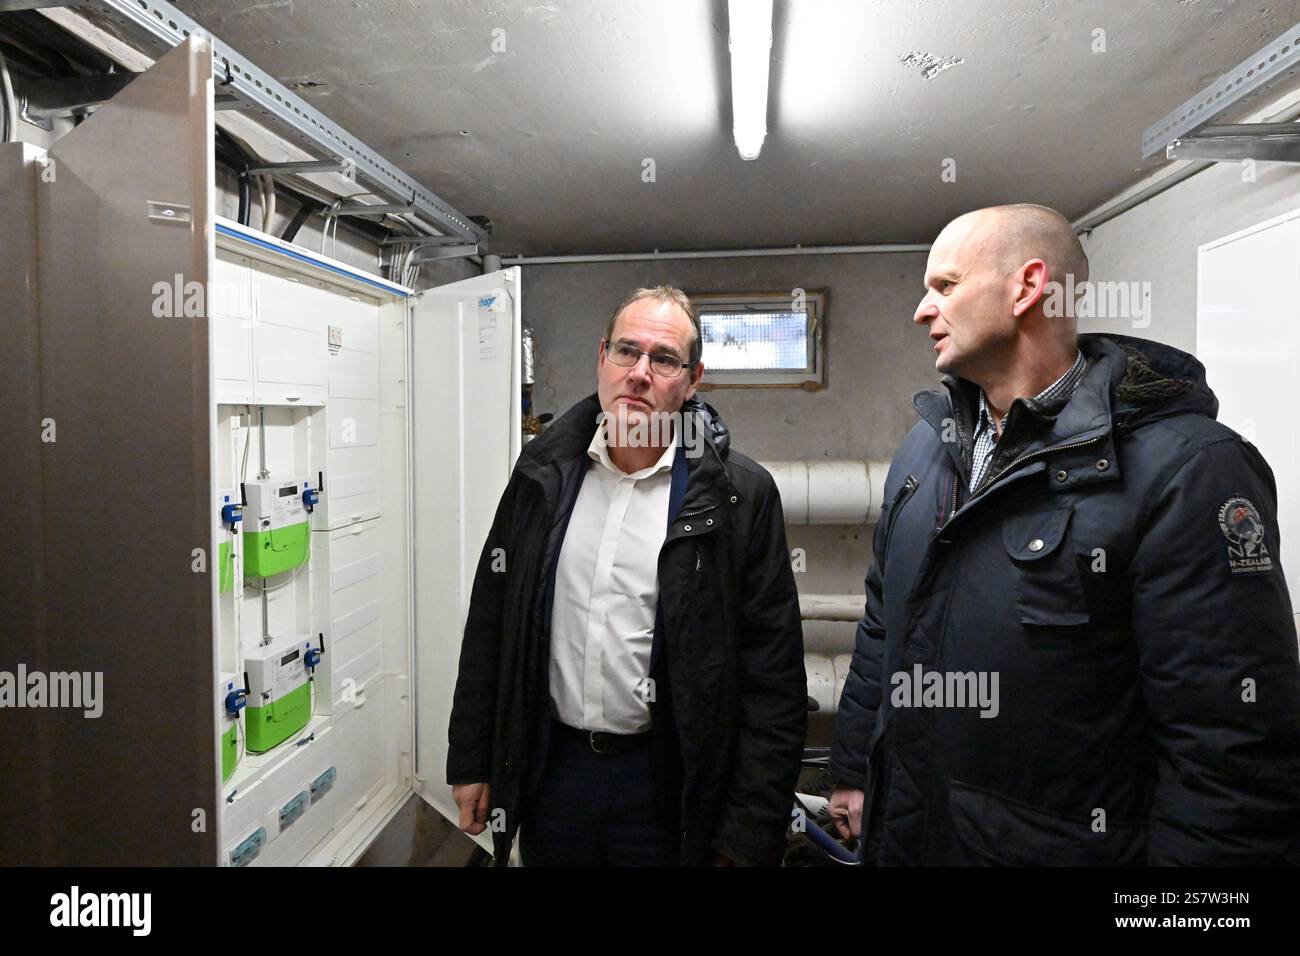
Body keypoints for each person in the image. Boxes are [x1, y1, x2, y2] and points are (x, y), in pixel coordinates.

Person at [829, 203, 1300, 864]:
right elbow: (883, 623)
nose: (921, 311)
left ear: (1026, 288)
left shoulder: (1185, 469)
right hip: (911, 835)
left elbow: (1229, 744)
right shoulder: (924, 450)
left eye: (944, 286)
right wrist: (853, 769)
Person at [447, 285, 806, 866]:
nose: (639, 372)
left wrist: (746, 834)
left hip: (667, 787)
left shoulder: (738, 496)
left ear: (693, 381)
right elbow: (491, 623)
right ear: (602, 358)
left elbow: (773, 682)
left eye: (664, 359)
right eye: (626, 351)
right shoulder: (542, 477)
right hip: (551, 775)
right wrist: (473, 758)